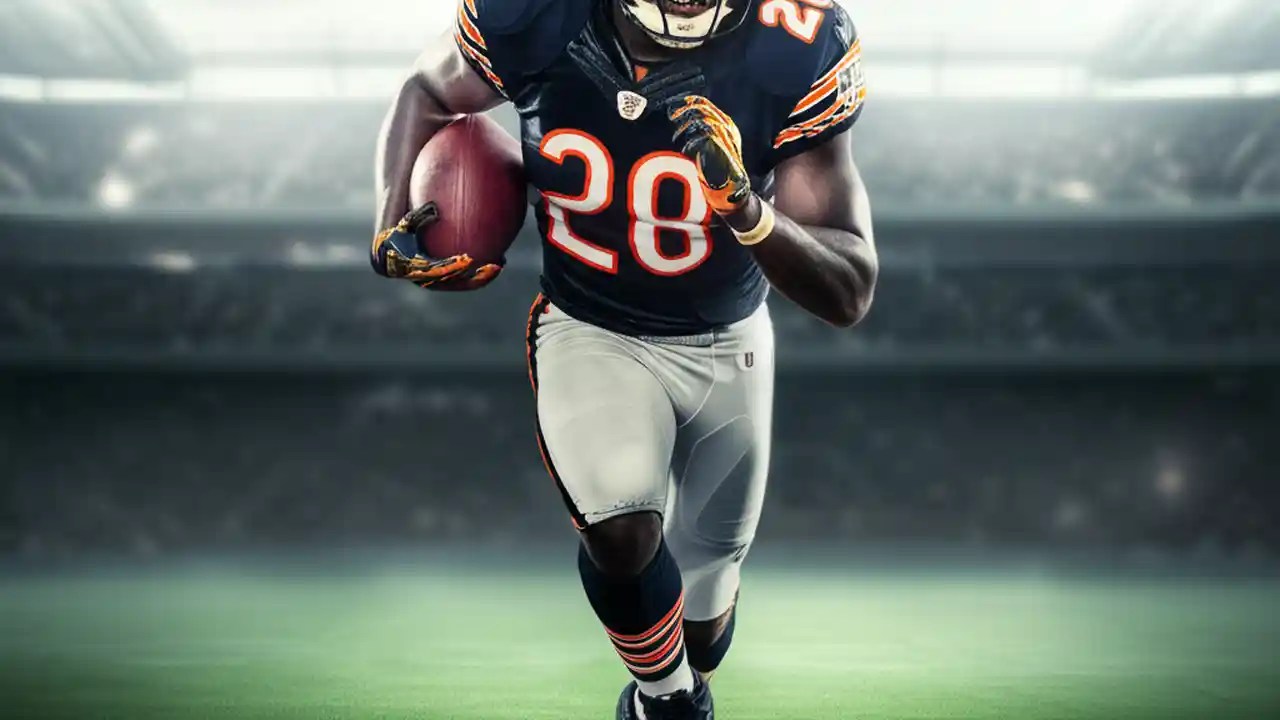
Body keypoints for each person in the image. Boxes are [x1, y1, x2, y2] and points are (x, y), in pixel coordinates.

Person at [372, 1, 877, 717]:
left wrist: (746, 209)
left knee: (702, 627)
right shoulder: (533, 16)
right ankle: (662, 700)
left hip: (729, 343)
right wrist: (392, 213)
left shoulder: (794, 47)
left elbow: (849, 288)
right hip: (591, 327)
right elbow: (427, 91)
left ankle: (685, 659)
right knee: (621, 530)